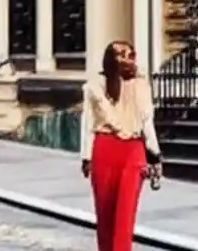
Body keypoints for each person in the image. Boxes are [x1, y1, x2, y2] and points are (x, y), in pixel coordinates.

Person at [80, 40, 162, 251]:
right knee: (105, 214)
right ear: (111, 59)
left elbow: (147, 122)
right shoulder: (95, 86)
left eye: (131, 54)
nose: (129, 59)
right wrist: (86, 156)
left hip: (133, 150)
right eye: (122, 54)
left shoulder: (141, 84)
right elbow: (88, 123)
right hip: (104, 147)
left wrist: (155, 156)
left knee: (125, 215)